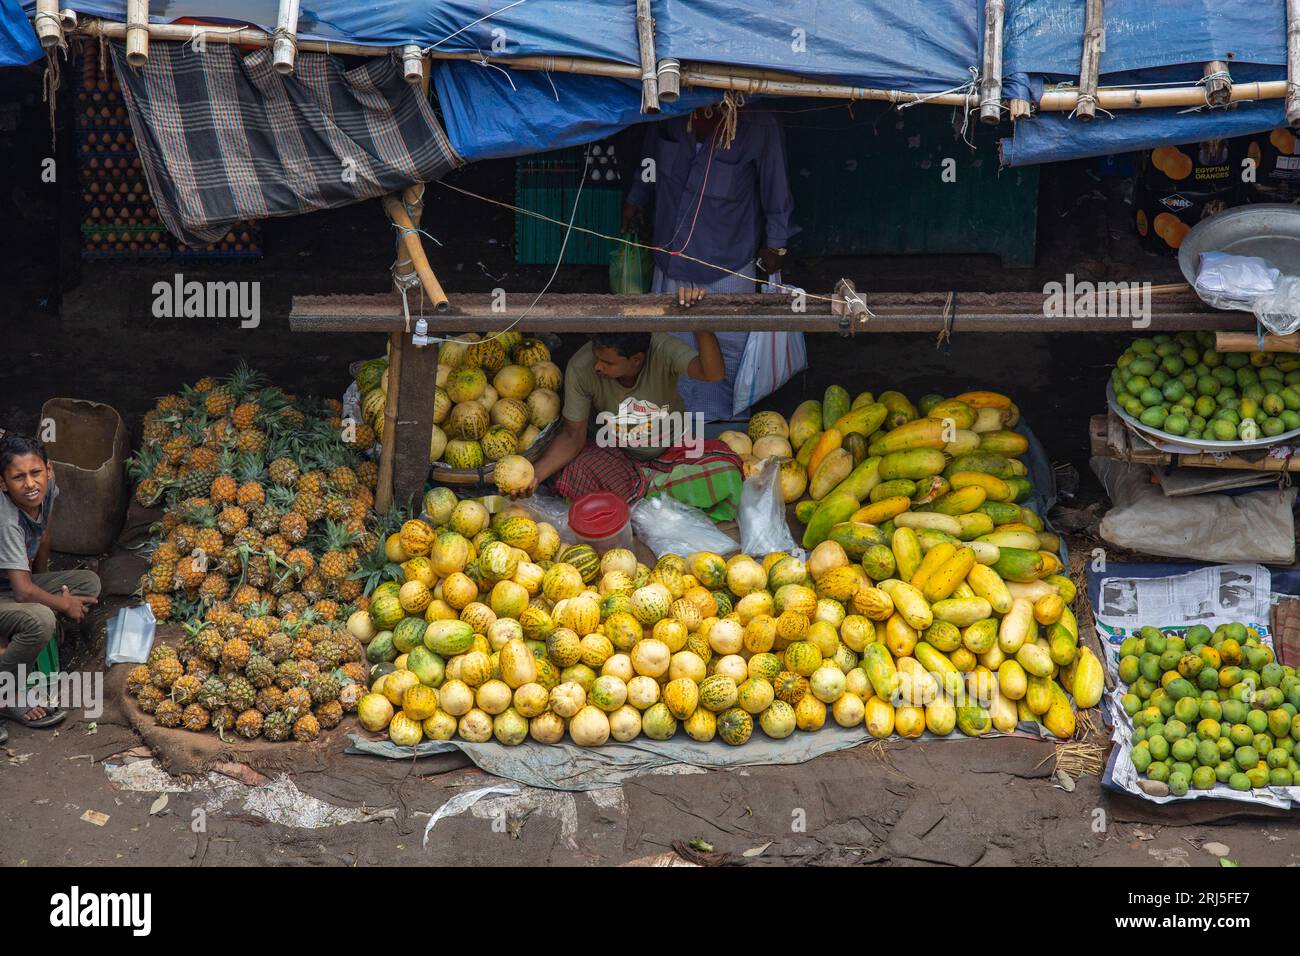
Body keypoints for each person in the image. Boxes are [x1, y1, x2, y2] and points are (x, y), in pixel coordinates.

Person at [623, 100, 799, 424]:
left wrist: (776, 245)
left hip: (726, 266)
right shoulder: (668, 107)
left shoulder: (759, 122)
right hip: (669, 260)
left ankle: (727, 430)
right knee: (670, 348)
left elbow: (776, 187)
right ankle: (672, 428)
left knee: (728, 353)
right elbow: (649, 162)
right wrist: (636, 198)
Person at [521, 331, 746, 521]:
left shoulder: (661, 349)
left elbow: (713, 373)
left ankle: (633, 506)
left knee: (725, 473)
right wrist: (534, 476)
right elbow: (572, 436)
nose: (598, 367)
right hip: (614, 456)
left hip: (672, 451)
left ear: (636, 360)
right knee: (573, 473)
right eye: (596, 357)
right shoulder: (581, 368)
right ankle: (656, 502)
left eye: (608, 363)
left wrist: (701, 326)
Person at [0, 433, 100, 740]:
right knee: (40, 618)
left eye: (35, 473)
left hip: (10, 585)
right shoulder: (6, 520)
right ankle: (7, 693)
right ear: (3, 484)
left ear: (49, 469)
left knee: (88, 583)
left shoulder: (47, 489)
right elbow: (23, 592)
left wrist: (52, 597)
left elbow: (44, 536)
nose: (30, 483)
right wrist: (57, 605)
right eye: (18, 477)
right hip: (11, 588)